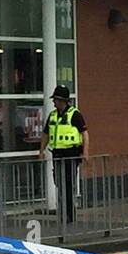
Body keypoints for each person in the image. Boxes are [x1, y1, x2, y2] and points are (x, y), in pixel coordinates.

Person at [39, 85, 88, 229]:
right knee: (59, 184)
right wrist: (41, 150)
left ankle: (69, 215)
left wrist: (85, 153)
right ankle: (65, 213)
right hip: (58, 154)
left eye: (56, 100)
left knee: (68, 184)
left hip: (71, 154)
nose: (54, 102)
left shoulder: (75, 114)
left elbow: (85, 134)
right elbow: (46, 134)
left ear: (62, 101)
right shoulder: (53, 116)